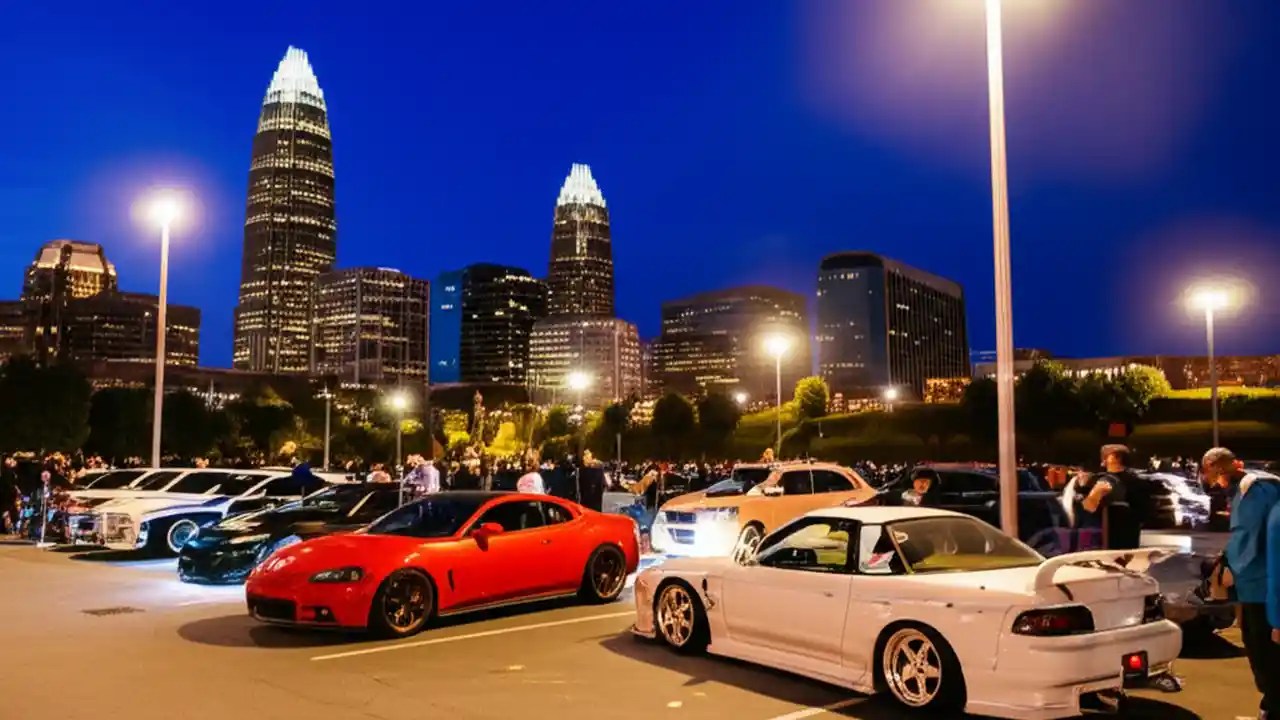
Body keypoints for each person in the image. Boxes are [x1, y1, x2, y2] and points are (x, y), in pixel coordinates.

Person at [1207, 447, 1280, 719]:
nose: (1211, 481)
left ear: (1218, 467)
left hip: (1260, 586)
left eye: (1209, 473)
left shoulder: (1253, 489)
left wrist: (1232, 569)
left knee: (1261, 647)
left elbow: (1246, 536)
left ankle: (1272, 706)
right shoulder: (1262, 485)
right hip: (1263, 582)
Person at [1070, 444, 1148, 550]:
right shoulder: (1137, 481)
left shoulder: (1106, 481)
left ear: (1110, 459)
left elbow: (1089, 506)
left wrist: (1082, 489)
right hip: (1131, 537)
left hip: (1107, 540)